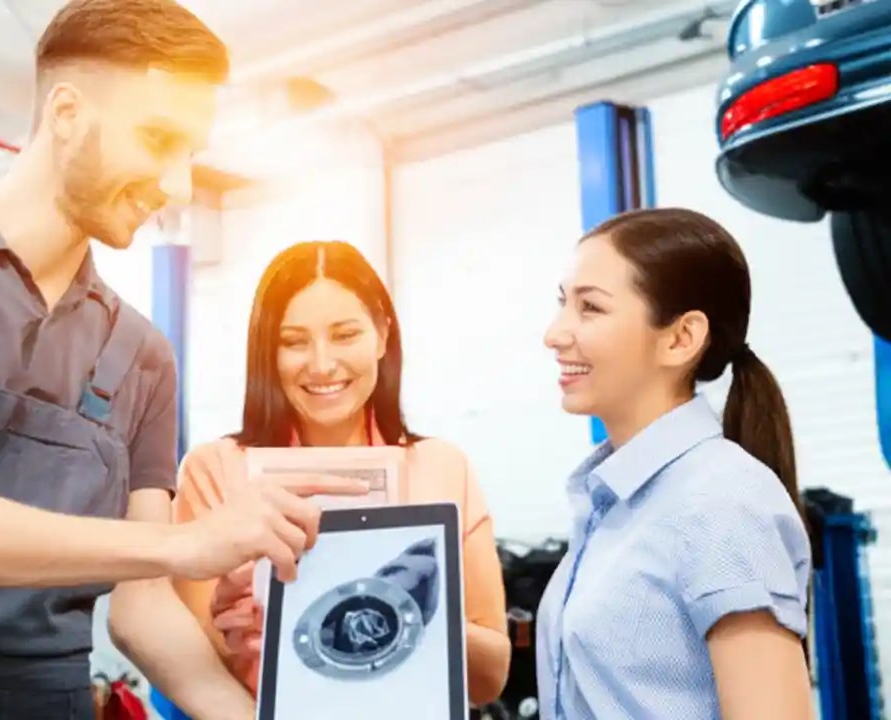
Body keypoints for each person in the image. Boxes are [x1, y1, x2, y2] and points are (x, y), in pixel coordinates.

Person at [0, 2, 364, 719]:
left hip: (46, 701)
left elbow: (143, 604)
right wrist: (184, 545)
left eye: (191, 153)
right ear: (65, 113)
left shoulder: (142, 354)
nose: (178, 186)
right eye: (158, 139)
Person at [170, 240, 513, 708]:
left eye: (345, 334)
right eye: (293, 342)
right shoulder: (215, 472)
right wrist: (232, 636)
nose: (322, 364)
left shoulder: (442, 468)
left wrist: (407, 613)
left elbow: (490, 679)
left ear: (383, 336)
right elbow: (197, 672)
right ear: (268, 352)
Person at [536, 208, 814, 719]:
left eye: (590, 308)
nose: (555, 334)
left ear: (681, 338)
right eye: (563, 303)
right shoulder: (614, 502)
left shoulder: (721, 501)